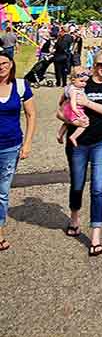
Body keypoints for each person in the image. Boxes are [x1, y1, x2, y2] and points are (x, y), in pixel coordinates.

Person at [58, 50, 102, 257]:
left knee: (97, 188)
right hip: (78, 143)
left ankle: (95, 235)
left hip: (101, 142)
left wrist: (87, 103)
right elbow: (60, 110)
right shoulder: (81, 81)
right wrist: (71, 121)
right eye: (100, 64)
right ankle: (74, 218)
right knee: (77, 183)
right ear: (93, 64)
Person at [0, 51, 36, 251]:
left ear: (11, 64)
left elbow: (31, 115)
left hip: (11, 146)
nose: (1, 66)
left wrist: (28, 143)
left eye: (5, 63)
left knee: (2, 192)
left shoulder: (21, 86)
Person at [57, 71, 90, 146]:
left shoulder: (72, 87)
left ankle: (60, 134)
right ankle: (73, 136)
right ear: (73, 80)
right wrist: (75, 109)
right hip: (73, 109)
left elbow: (62, 100)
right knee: (85, 123)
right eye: (81, 81)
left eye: (85, 81)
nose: (84, 83)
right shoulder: (74, 90)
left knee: (66, 123)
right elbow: (73, 100)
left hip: (69, 108)